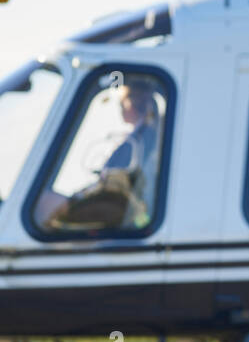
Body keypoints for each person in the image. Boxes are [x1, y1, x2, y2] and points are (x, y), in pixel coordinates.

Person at [35, 80, 161, 231]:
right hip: (123, 208)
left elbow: (117, 187)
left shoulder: (139, 141)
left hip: (123, 212)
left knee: (43, 203)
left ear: (132, 105)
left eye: (122, 103)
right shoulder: (144, 137)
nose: (121, 109)